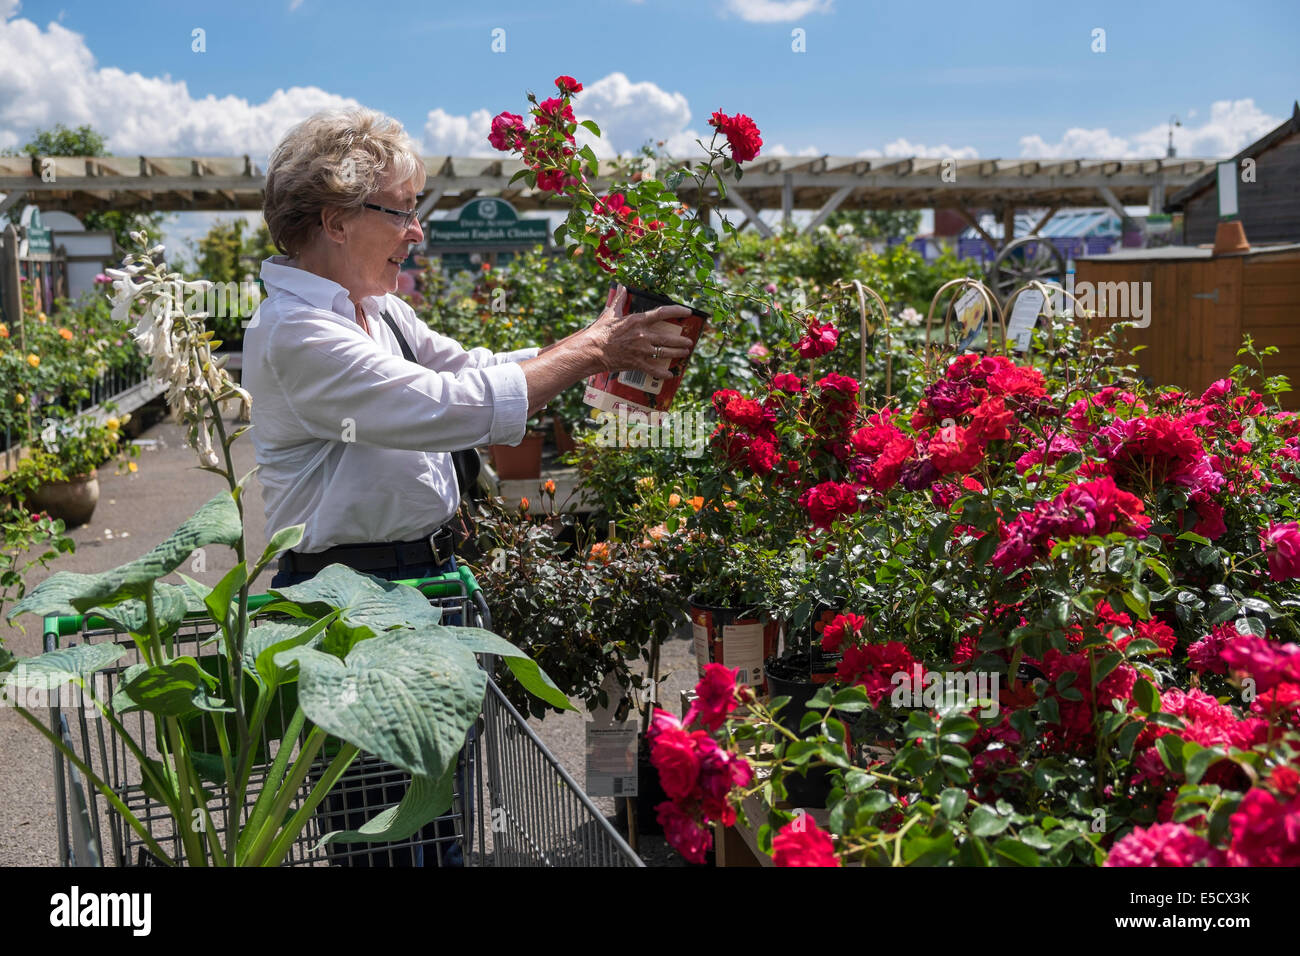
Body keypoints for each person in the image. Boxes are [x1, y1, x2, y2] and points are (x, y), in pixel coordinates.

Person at [242, 106, 693, 865]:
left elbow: (469, 368)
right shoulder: (296, 332)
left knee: (436, 816)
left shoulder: (374, 309)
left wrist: (598, 341)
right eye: (403, 211)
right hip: (350, 602)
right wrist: (589, 351)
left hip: (415, 584)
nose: (415, 231)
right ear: (337, 219)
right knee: (386, 831)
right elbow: (444, 408)